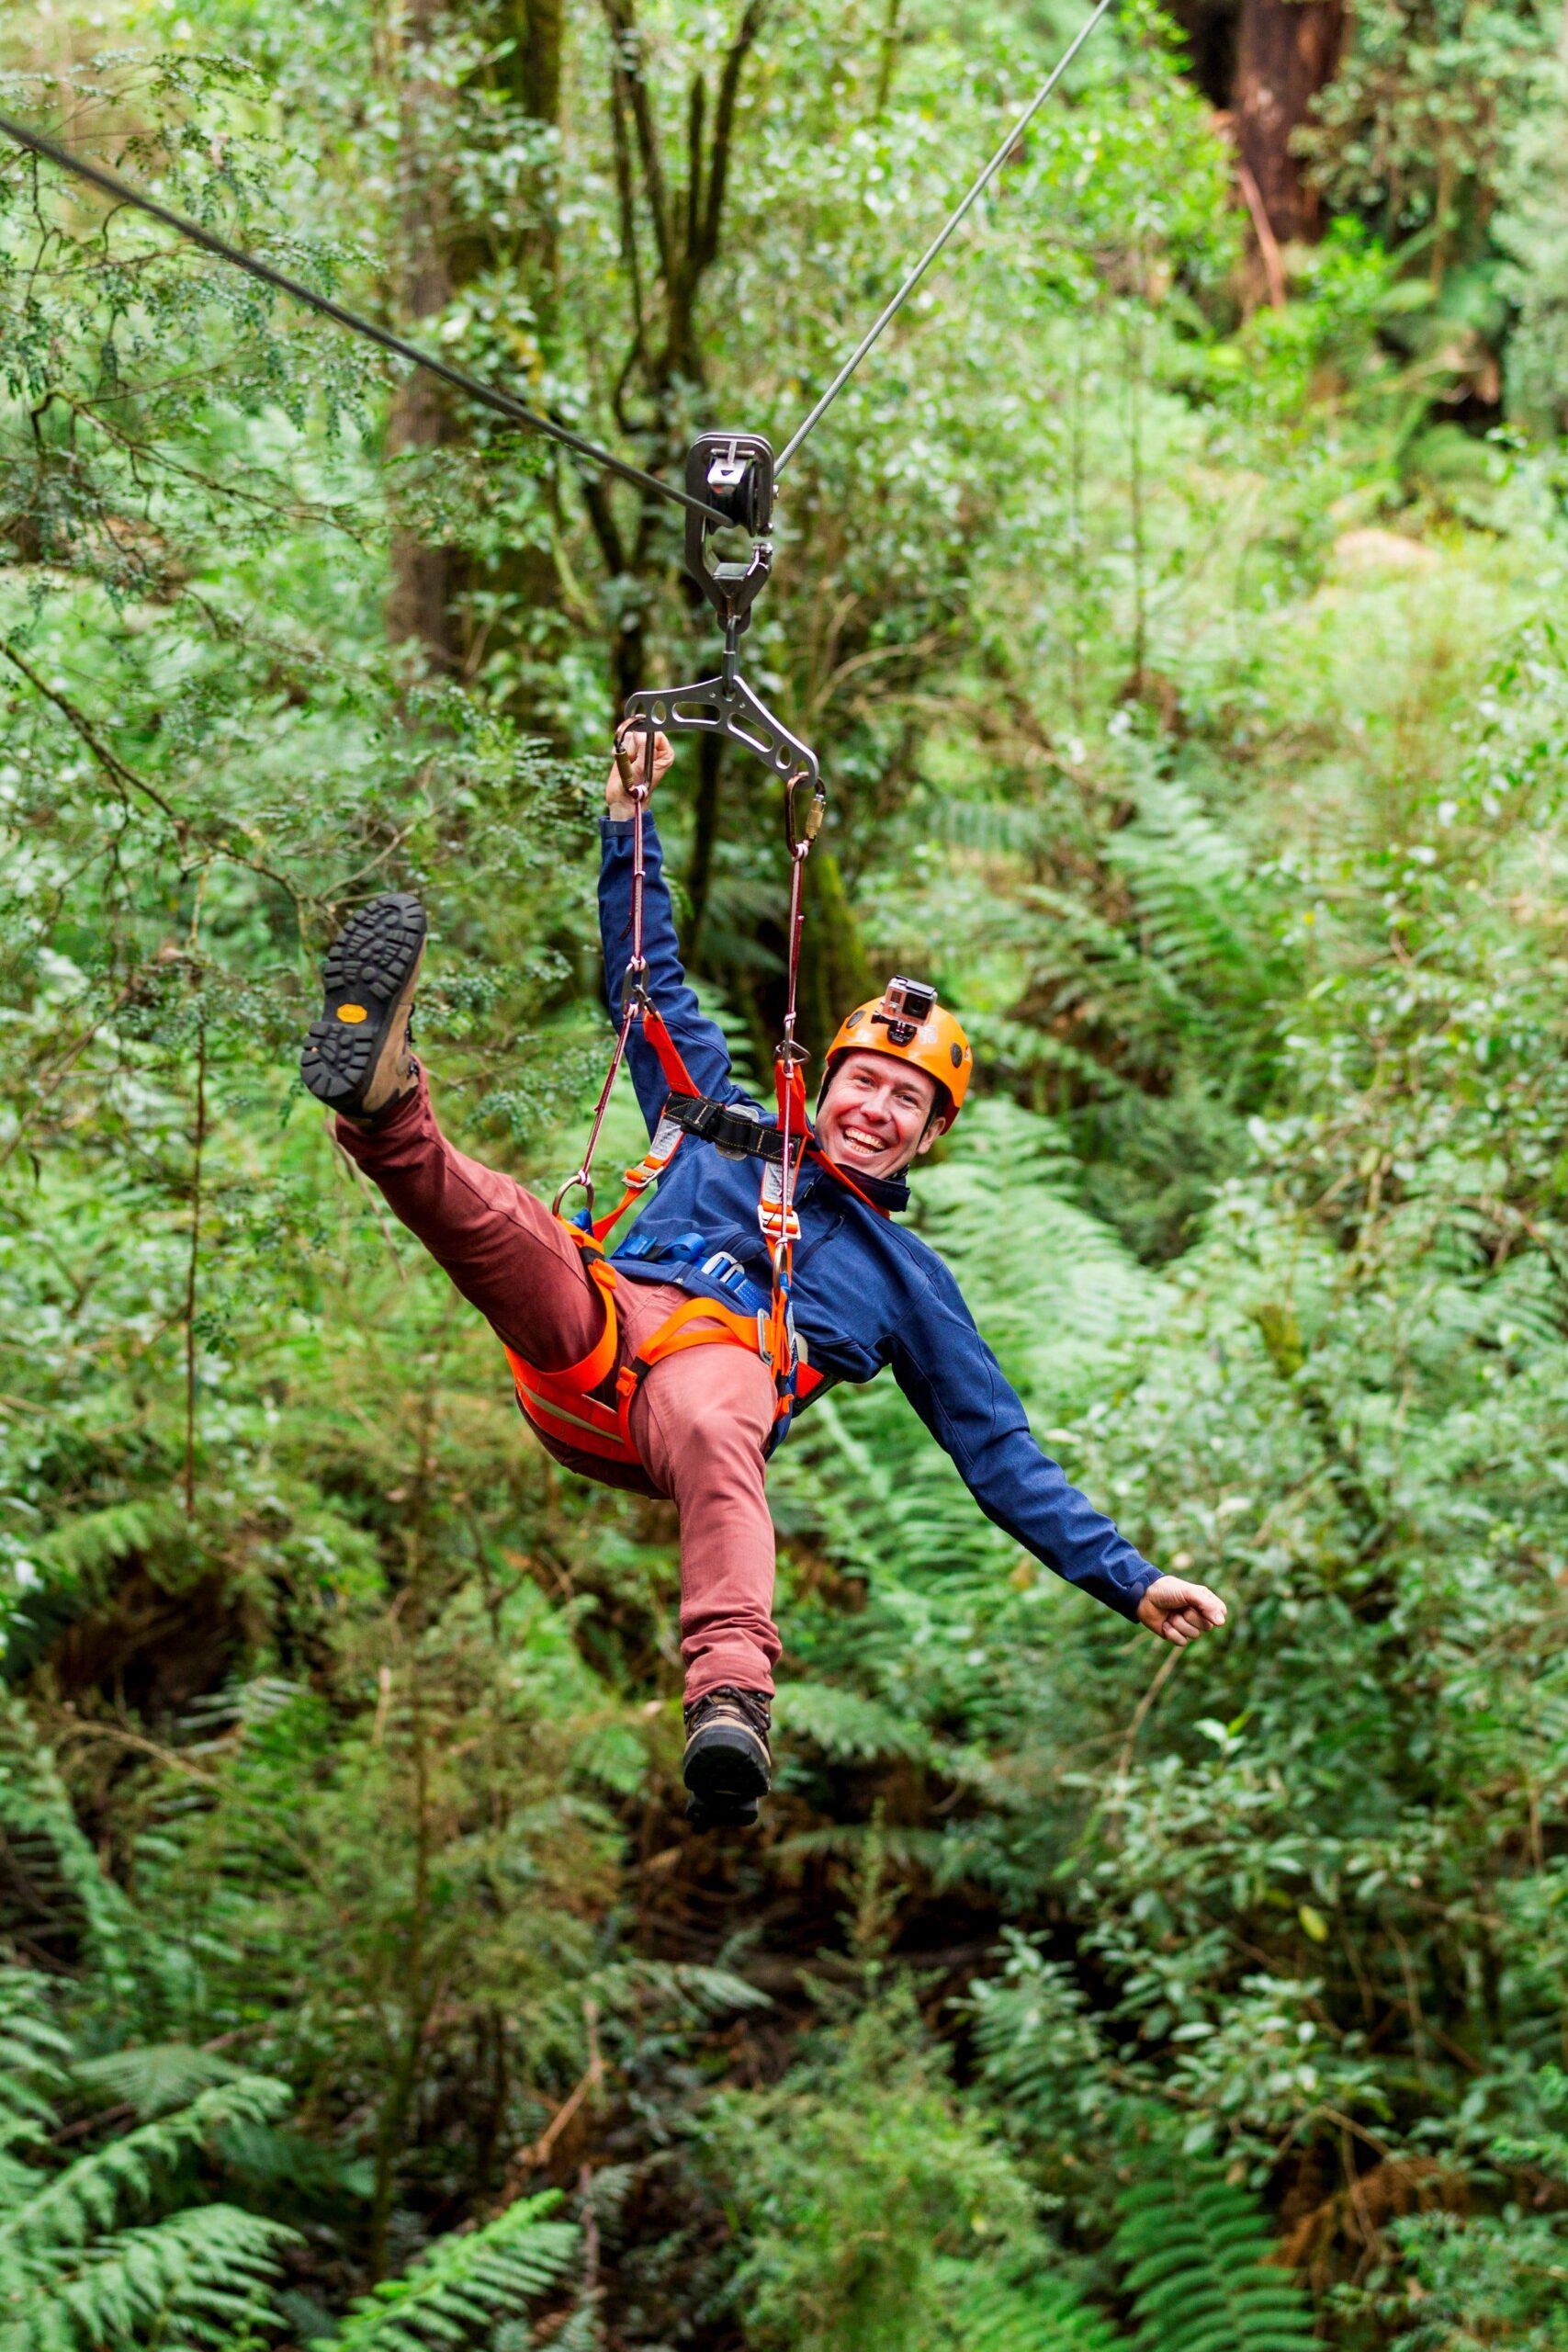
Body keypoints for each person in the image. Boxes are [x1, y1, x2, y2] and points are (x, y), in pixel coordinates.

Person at [300, 732, 1226, 1829]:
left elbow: (999, 1452)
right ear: (825, 1084)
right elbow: (646, 986)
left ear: (928, 1139)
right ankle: (383, 1099)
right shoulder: (717, 1125)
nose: (874, 1110)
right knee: (506, 1223)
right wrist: (627, 822)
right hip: (593, 1333)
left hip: (708, 1394)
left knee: (714, 1402)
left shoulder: (906, 1279)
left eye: (904, 1103)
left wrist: (1128, 1577)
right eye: (864, 1083)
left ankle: (731, 1701)